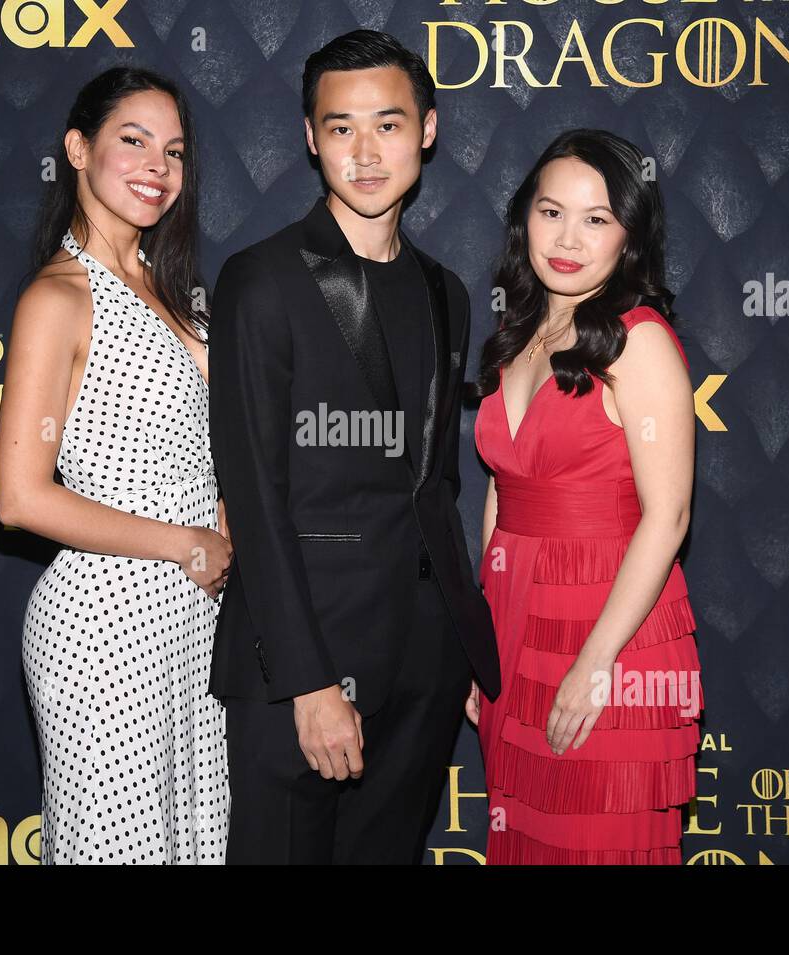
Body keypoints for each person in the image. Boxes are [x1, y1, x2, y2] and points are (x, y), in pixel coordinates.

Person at [208, 29, 500, 864]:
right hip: (305, 659)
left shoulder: (446, 290)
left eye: (388, 124)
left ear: (429, 130)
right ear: (310, 137)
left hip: (425, 662)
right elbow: (253, 494)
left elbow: (435, 485)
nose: (366, 152)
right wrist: (308, 681)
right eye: (341, 128)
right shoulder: (263, 279)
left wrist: (469, 645)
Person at [0, 67, 230, 864]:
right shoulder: (58, 298)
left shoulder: (180, 296)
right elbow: (21, 498)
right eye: (132, 141)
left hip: (195, 622)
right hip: (105, 623)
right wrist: (184, 542)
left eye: (173, 151)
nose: (156, 167)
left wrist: (223, 528)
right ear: (77, 148)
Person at [470, 128, 704, 864]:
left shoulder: (641, 342)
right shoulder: (519, 335)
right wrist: (483, 642)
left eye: (597, 218)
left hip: (612, 626)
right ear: (524, 220)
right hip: (516, 621)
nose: (568, 238)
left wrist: (597, 660)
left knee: (596, 836)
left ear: (629, 236)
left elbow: (667, 518)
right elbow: (502, 497)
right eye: (550, 212)